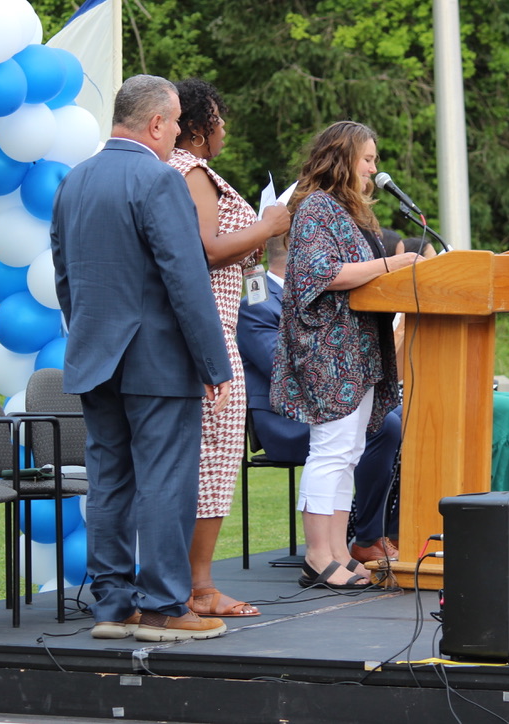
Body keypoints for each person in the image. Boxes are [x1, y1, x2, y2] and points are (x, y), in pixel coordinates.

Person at [50, 75, 232, 642]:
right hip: (157, 362)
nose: (178, 133)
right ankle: (162, 608)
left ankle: (112, 606)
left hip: (94, 356)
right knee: (165, 481)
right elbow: (187, 279)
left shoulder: (74, 180)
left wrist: (88, 334)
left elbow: (64, 276)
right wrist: (214, 364)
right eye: (175, 123)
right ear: (155, 123)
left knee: (108, 481)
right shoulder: (159, 179)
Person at [271, 121, 422, 589]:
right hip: (329, 351)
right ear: (342, 158)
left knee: (349, 451)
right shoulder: (316, 207)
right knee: (332, 449)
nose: (374, 169)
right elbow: (322, 275)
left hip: (357, 349)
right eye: (368, 159)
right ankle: (318, 555)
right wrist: (392, 263)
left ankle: (337, 550)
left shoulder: (348, 210)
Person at [166, 79, 291, 619]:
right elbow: (208, 250)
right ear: (199, 127)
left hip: (198, 331)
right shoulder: (191, 171)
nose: (225, 130)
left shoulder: (167, 168)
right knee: (214, 461)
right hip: (211, 336)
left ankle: (187, 583)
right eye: (219, 119)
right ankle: (199, 585)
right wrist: (266, 226)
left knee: (195, 462)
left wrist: (251, 246)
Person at [238, 236, 402, 563]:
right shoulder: (258, 304)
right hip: (287, 419)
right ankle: (367, 536)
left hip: (327, 405)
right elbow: (283, 368)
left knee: (406, 415)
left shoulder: (314, 296)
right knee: (384, 424)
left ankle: (395, 532)